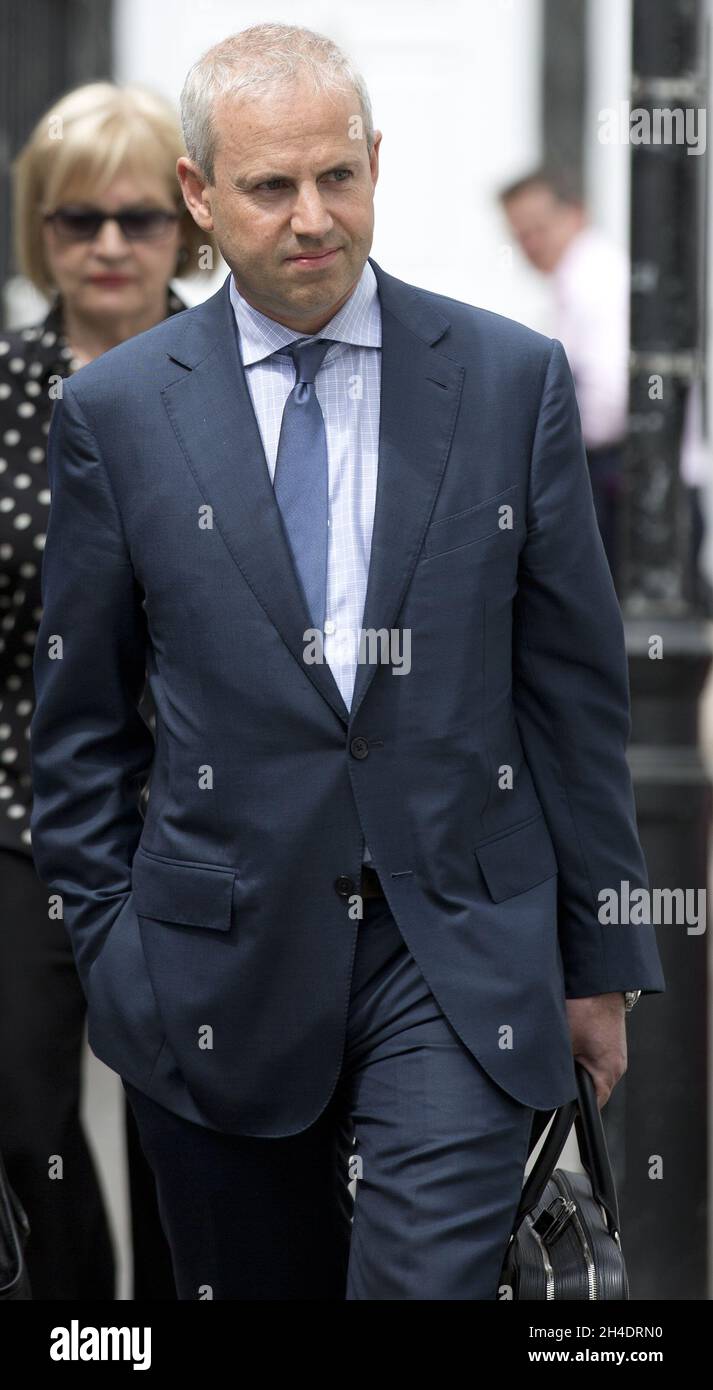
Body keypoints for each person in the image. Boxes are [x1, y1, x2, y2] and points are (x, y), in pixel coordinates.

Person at [29, 24, 665, 1301]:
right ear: (201, 196)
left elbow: (573, 695)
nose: (312, 217)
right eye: (270, 186)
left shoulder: (505, 380)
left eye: (338, 176)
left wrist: (599, 965)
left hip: (457, 951)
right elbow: (81, 724)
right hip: (214, 965)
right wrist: (120, 959)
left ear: (374, 163)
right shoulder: (118, 413)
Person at [0, 80, 214, 1299]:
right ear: (42, 232)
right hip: (21, 817)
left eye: (137, 218)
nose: (109, 246)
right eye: (76, 220)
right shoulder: (5, 394)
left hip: (201, 825)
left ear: (181, 226)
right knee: (26, 1120)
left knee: (188, 1131)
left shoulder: (236, 384)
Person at [499, 169, 629, 588]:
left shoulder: (593, 279)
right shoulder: (581, 277)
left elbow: (609, 403)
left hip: (620, 485)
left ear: (575, 214)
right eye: (521, 235)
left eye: (539, 228)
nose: (532, 245)